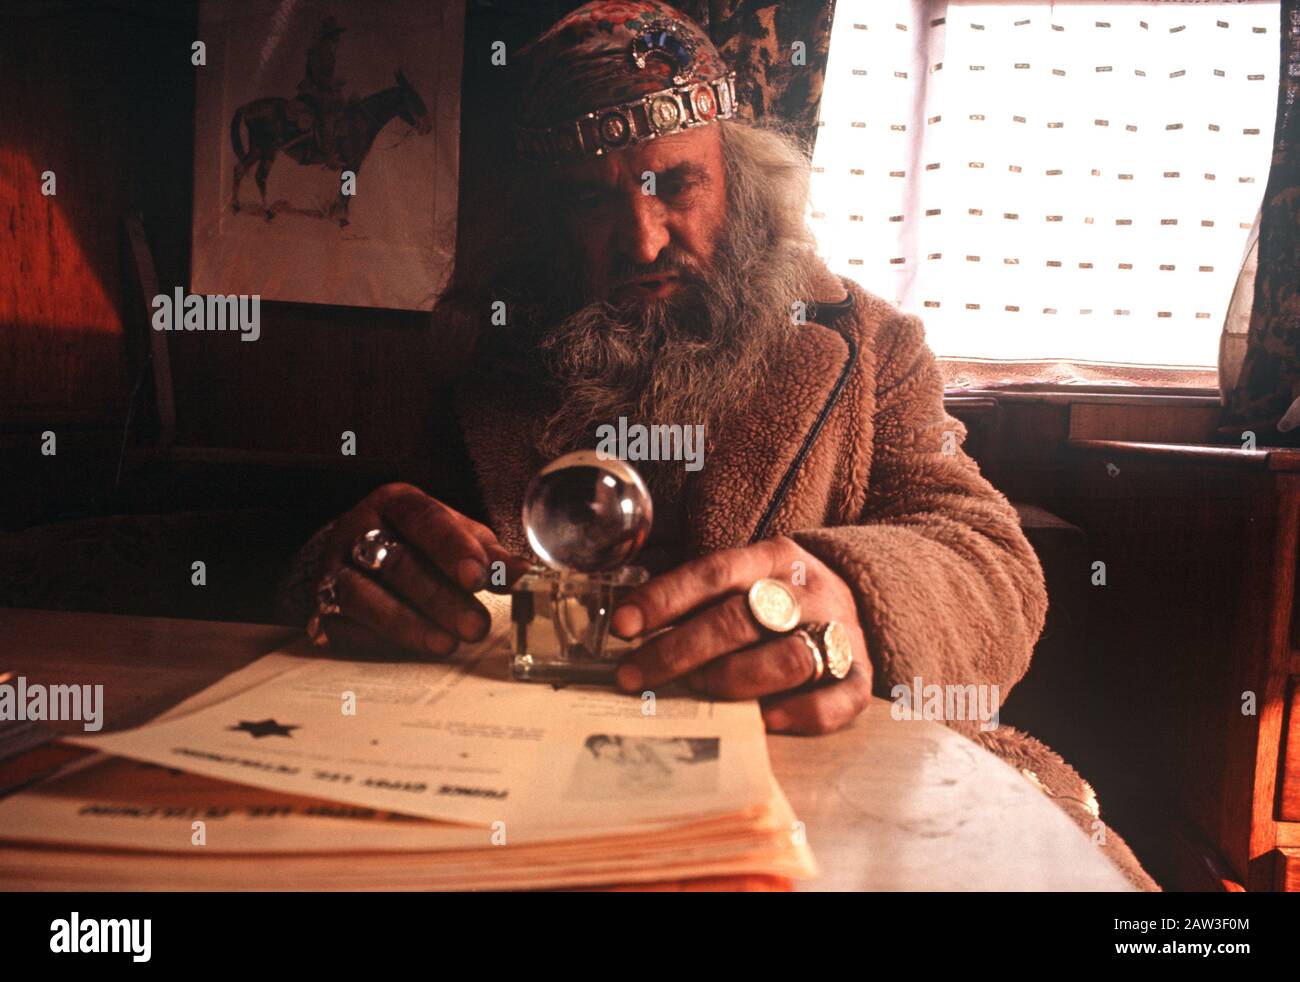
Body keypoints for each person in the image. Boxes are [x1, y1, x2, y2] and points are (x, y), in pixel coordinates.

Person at [278, 1, 1155, 889]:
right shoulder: (487, 355)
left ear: (740, 177)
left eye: (677, 184)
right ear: (546, 222)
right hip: (532, 805)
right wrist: (343, 569)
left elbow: (994, 564)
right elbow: (390, 555)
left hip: (829, 794)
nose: (644, 238)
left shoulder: (873, 346)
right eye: (591, 199)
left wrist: (854, 598)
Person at [294, 15, 348, 167]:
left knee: (342, 107)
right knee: (328, 116)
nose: (338, 37)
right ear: (330, 35)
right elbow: (316, 74)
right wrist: (332, 83)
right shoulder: (320, 48)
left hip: (321, 88)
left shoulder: (327, 48)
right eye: (336, 34)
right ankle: (327, 154)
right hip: (313, 89)